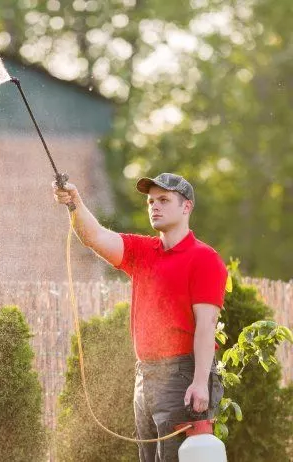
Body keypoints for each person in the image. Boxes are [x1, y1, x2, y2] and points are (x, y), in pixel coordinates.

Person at [53, 172, 226, 462]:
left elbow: (206, 325)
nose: (154, 207)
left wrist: (198, 383)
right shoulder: (142, 251)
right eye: (150, 201)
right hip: (145, 375)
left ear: (187, 207)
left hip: (182, 376)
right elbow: (94, 236)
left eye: (163, 200)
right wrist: (75, 203)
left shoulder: (204, 258)